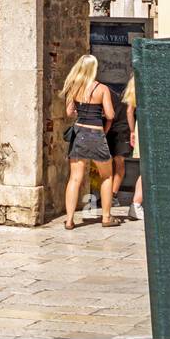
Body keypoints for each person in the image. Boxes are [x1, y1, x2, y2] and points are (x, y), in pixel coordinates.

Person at [61, 53, 117, 230]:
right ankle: (106, 217)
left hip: (79, 133)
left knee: (75, 179)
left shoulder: (73, 87)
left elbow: (69, 112)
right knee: (106, 176)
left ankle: (69, 220)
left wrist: (81, 110)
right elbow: (110, 115)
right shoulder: (102, 89)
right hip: (95, 135)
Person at [106, 79, 133, 203]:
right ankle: (112, 195)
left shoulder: (111, 92)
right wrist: (133, 131)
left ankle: (108, 194)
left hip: (111, 129)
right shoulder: (132, 95)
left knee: (110, 163)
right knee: (119, 164)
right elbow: (129, 112)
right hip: (123, 130)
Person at [122, 73, 144, 220]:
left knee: (145, 167)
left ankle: (136, 204)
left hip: (139, 126)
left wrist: (132, 131)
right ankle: (136, 203)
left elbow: (129, 111)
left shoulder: (135, 83)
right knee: (147, 169)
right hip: (148, 127)